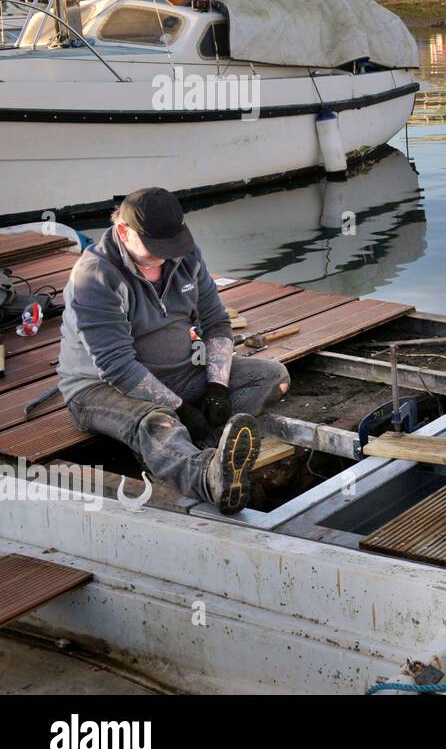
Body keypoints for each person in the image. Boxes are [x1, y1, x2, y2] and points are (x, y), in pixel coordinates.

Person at [58, 187, 289, 513]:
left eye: (171, 246)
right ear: (124, 232)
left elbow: (216, 322)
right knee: (156, 421)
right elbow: (117, 366)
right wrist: (180, 408)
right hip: (101, 388)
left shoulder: (186, 256)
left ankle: (209, 445)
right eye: (156, 248)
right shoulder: (95, 276)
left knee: (271, 376)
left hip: (180, 372)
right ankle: (208, 475)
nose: (165, 256)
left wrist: (217, 388)